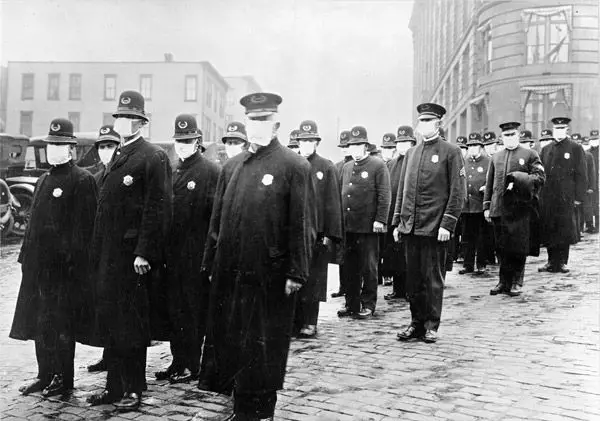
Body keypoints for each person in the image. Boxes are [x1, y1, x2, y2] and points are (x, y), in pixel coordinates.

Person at [201, 92, 316, 420]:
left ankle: (262, 410)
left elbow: (301, 223)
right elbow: (217, 220)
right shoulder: (232, 167)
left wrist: (296, 271)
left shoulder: (294, 166)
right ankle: (241, 408)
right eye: (252, 120)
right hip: (231, 272)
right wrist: (210, 261)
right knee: (234, 341)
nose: (256, 126)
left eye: (263, 120)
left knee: (264, 344)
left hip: (270, 274)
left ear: (276, 124)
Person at [86, 91, 172, 410]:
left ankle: (134, 389)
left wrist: (144, 252)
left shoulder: (151, 157)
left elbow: (157, 208)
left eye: (127, 118)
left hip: (133, 258)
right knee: (112, 322)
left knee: (133, 325)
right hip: (109, 257)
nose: (121, 122)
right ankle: (114, 388)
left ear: (140, 121)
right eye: (118, 117)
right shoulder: (119, 156)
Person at [10, 118, 97, 397]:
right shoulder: (44, 179)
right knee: (40, 323)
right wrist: (26, 258)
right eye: (51, 145)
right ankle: (44, 374)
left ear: (71, 148)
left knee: (62, 325)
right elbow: (33, 223)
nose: (54, 150)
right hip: (38, 269)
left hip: (64, 272)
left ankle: (63, 378)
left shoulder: (81, 180)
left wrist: (72, 265)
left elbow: (84, 230)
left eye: (60, 145)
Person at [153, 114, 220, 384]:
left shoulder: (210, 172)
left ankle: (192, 364)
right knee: (175, 311)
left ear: (198, 141)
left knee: (192, 312)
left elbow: (216, 220)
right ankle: (177, 361)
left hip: (196, 255)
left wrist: (210, 256)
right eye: (179, 141)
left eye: (188, 141)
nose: (182, 146)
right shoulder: (172, 169)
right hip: (173, 255)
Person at [392, 103, 465, 343]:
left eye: (427, 121)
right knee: (413, 279)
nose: (421, 125)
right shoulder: (412, 153)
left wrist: (448, 223)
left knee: (432, 279)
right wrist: (397, 223)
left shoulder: (451, 152)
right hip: (411, 227)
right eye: (420, 121)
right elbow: (403, 191)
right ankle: (416, 323)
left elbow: (458, 192)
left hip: (434, 228)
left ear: (438, 124)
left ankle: (432, 324)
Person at [484, 121, 545, 296]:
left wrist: (521, 178)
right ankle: (503, 282)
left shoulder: (530, 154)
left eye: (512, 134)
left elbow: (540, 177)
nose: (509, 138)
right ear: (501, 138)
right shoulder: (496, 157)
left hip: (519, 210)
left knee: (518, 247)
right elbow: (490, 183)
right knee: (501, 247)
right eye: (506, 135)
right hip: (499, 209)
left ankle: (516, 282)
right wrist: (487, 206)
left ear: (518, 135)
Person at [294, 120, 343, 338]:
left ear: (316, 142)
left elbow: (333, 202)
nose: (306, 145)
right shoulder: (292, 165)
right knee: (295, 278)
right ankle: (294, 321)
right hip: (295, 234)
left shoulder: (326, 167)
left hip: (317, 235)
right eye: (303, 141)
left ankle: (310, 322)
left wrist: (330, 235)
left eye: (310, 141)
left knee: (314, 280)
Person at [338, 125, 391, 319]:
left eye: (359, 145)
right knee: (350, 267)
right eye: (352, 145)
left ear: (366, 146)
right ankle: (351, 303)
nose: (355, 149)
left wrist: (380, 220)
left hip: (369, 227)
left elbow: (385, 195)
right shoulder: (346, 167)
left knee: (369, 267)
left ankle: (368, 304)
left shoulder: (377, 165)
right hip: (349, 227)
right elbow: (340, 195)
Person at [86, 125, 122, 374]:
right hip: (97, 247)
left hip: (117, 249)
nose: (105, 151)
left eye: (110, 146)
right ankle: (106, 354)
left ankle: (115, 356)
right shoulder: (94, 177)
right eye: (102, 146)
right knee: (101, 304)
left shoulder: (120, 174)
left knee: (116, 305)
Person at [538, 117, 587, 274]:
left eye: (562, 129)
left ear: (567, 130)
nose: (559, 132)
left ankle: (562, 262)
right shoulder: (546, 149)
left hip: (566, 197)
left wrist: (579, 197)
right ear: (553, 130)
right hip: (548, 197)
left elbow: (581, 174)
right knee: (550, 228)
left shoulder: (575, 148)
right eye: (556, 129)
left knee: (564, 229)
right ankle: (551, 261)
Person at [383, 126, 415, 301]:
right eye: (400, 142)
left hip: (409, 216)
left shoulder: (415, 160)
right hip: (392, 216)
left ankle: (410, 290)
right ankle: (398, 289)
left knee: (408, 255)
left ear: (412, 143)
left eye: (406, 142)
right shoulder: (391, 164)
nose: (402, 146)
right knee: (394, 254)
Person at [459, 133, 491, 275]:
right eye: (470, 146)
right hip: (467, 205)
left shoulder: (488, 161)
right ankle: (468, 264)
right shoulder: (463, 162)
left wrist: (486, 187)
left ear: (481, 147)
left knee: (481, 237)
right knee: (467, 237)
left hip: (480, 204)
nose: (472, 148)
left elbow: (492, 180)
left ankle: (481, 264)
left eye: (475, 146)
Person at [331, 130, 353, 299]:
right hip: (341, 217)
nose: (345, 149)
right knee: (341, 255)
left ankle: (354, 288)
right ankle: (343, 286)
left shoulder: (357, 164)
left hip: (356, 218)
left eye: (348, 146)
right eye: (343, 147)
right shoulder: (337, 166)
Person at [378, 133, 397, 286]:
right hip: (379, 213)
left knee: (390, 246)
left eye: (391, 148)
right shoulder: (377, 165)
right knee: (377, 246)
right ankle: (377, 274)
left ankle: (388, 274)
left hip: (393, 213)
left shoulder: (397, 164)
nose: (388, 151)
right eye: (385, 148)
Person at [575, 134, 597, 234]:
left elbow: (592, 172)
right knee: (577, 208)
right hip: (575, 186)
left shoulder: (588, 155)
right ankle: (578, 227)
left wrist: (592, 186)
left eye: (579, 143)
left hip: (586, 186)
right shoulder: (571, 155)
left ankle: (589, 224)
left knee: (587, 206)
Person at [587, 129, 599, 233]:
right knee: (593, 204)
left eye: (596, 139)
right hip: (592, 181)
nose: (594, 141)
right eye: (592, 139)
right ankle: (591, 225)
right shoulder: (588, 152)